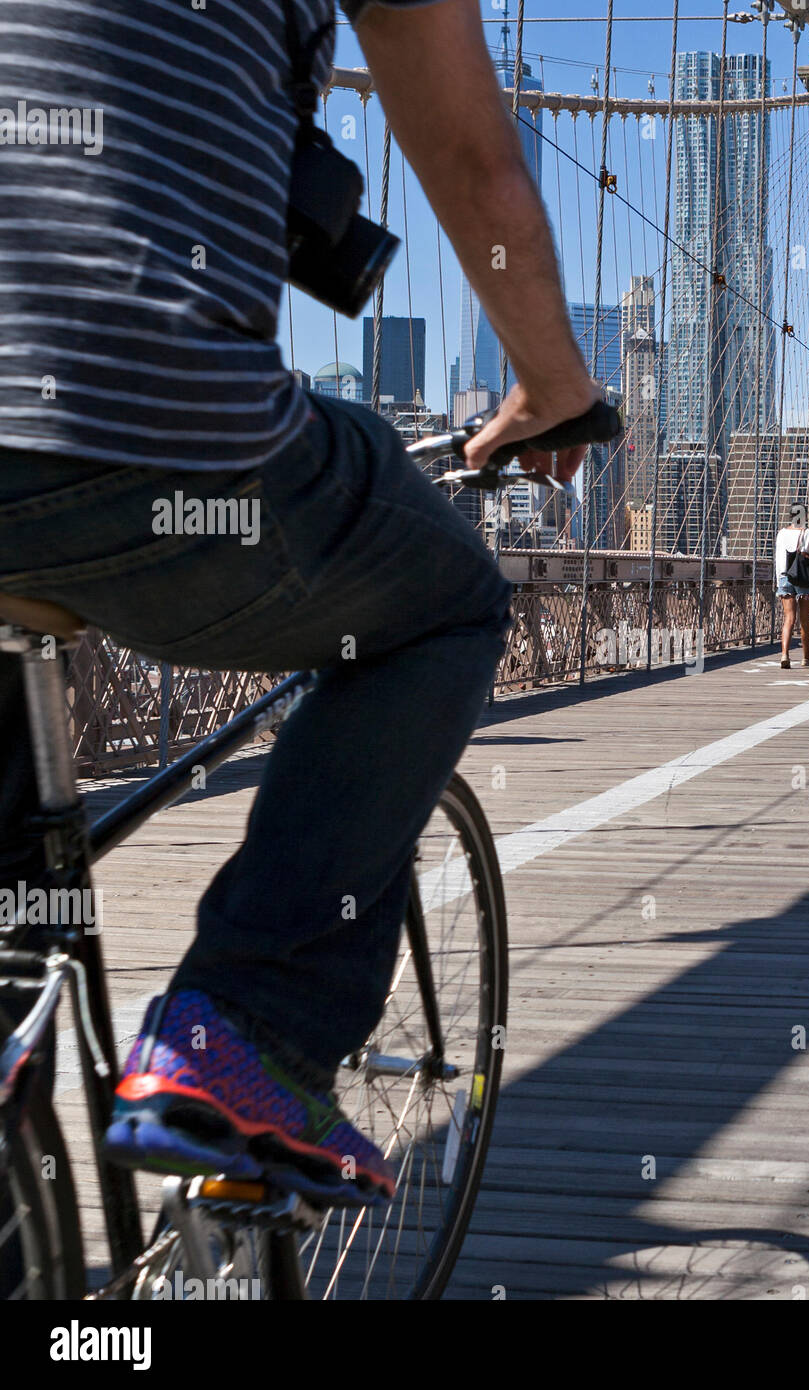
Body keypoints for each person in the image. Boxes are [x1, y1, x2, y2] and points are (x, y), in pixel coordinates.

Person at [0, 0, 606, 1206]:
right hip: (151, 438)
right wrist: (554, 388)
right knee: (445, 606)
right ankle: (247, 1032)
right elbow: (481, 170)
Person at [775, 508, 809, 669]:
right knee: (805, 619)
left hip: (785, 577)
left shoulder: (782, 533)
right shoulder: (808, 533)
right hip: (804, 579)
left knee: (789, 618)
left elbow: (779, 559)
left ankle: (785, 654)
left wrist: (779, 580)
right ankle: (806, 657)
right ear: (804, 516)